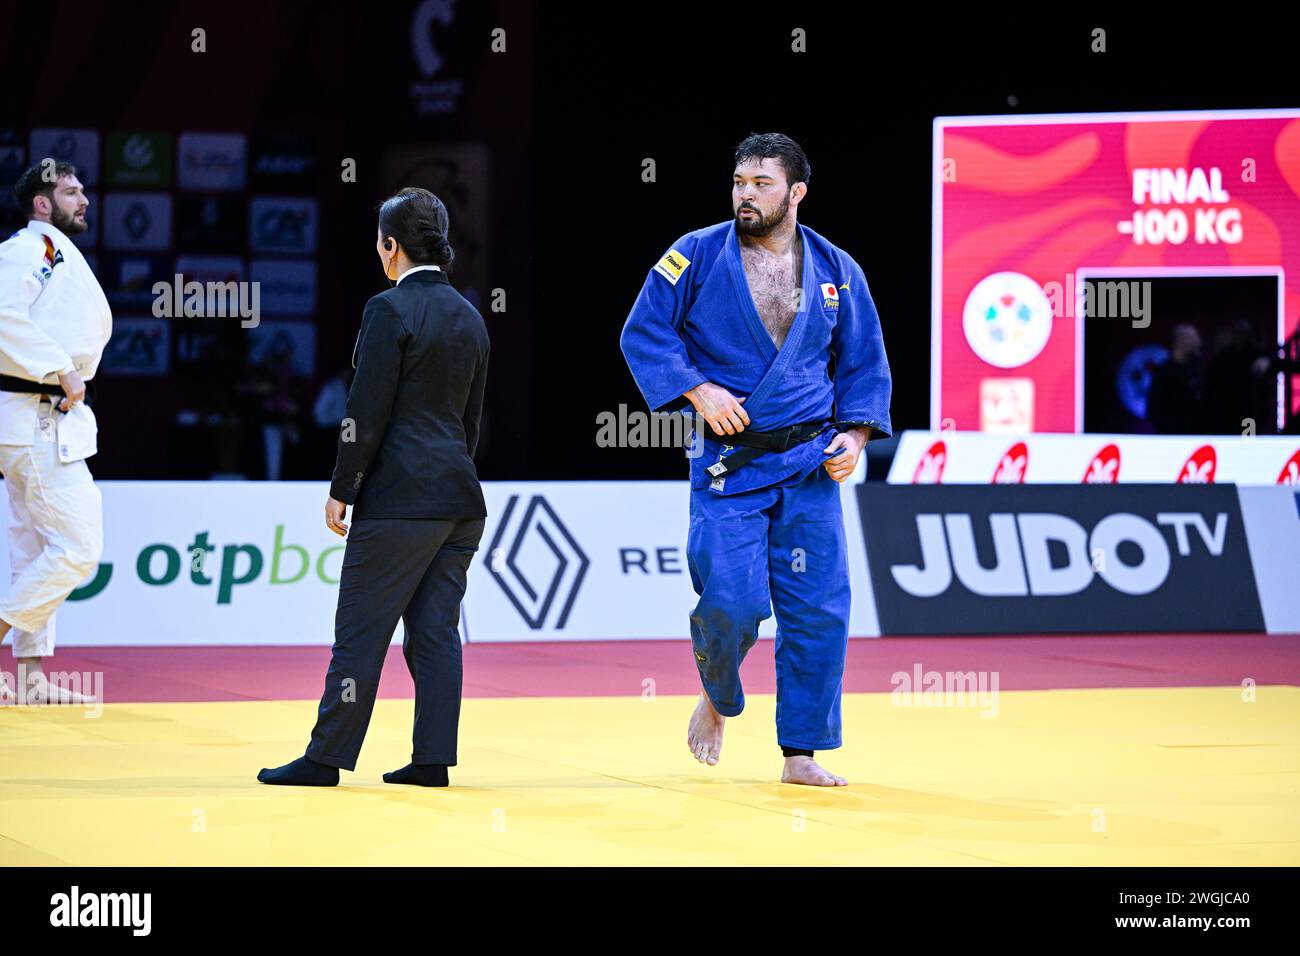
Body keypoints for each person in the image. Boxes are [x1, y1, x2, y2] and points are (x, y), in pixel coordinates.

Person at [620, 133, 892, 786]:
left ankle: (802, 750)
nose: (746, 193)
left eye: (762, 183)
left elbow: (862, 363)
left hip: (808, 466)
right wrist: (698, 388)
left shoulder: (837, 271)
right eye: (739, 181)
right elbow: (644, 331)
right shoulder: (694, 255)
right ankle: (718, 694)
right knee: (732, 604)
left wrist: (854, 440)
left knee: (819, 611)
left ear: (796, 192)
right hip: (729, 467)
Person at [258, 188, 490, 786]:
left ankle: (326, 757)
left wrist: (344, 485)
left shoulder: (387, 309)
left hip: (399, 502)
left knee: (360, 633)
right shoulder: (470, 315)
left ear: (390, 247)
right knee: (435, 633)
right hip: (461, 502)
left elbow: (366, 411)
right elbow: (471, 421)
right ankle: (433, 759)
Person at [0, 162, 111, 706]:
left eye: (82, 189)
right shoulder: (33, 248)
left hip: (34, 416)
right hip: (34, 412)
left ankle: (27, 679)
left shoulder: (53, 251)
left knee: (34, 545)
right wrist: (60, 365)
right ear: (42, 204)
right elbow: (1, 310)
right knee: (78, 548)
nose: (83, 198)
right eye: (70, 191)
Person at [1146, 323, 1205, 434]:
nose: (1198, 342)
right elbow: (1153, 409)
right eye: (1192, 338)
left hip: (1196, 434)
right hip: (1170, 435)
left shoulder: (1199, 368)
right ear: (1181, 340)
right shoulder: (1164, 372)